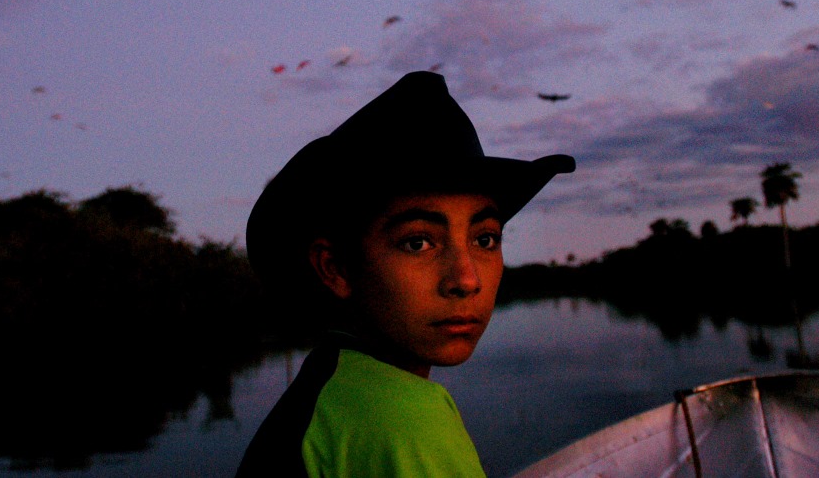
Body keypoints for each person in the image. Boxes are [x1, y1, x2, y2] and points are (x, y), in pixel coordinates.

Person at [236, 71, 574, 477]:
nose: (467, 280)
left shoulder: (331, 383)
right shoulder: (399, 419)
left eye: (485, 239)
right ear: (335, 268)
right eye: (418, 243)